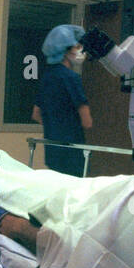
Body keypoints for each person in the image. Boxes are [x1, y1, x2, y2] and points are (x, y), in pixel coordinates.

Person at [32, 24, 93, 177]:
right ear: (66, 51)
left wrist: (55, 127)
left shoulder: (47, 77)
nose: (81, 50)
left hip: (52, 151)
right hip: (73, 153)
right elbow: (87, 122)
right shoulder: (71, 78)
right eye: (77, 46)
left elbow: (36, 114)